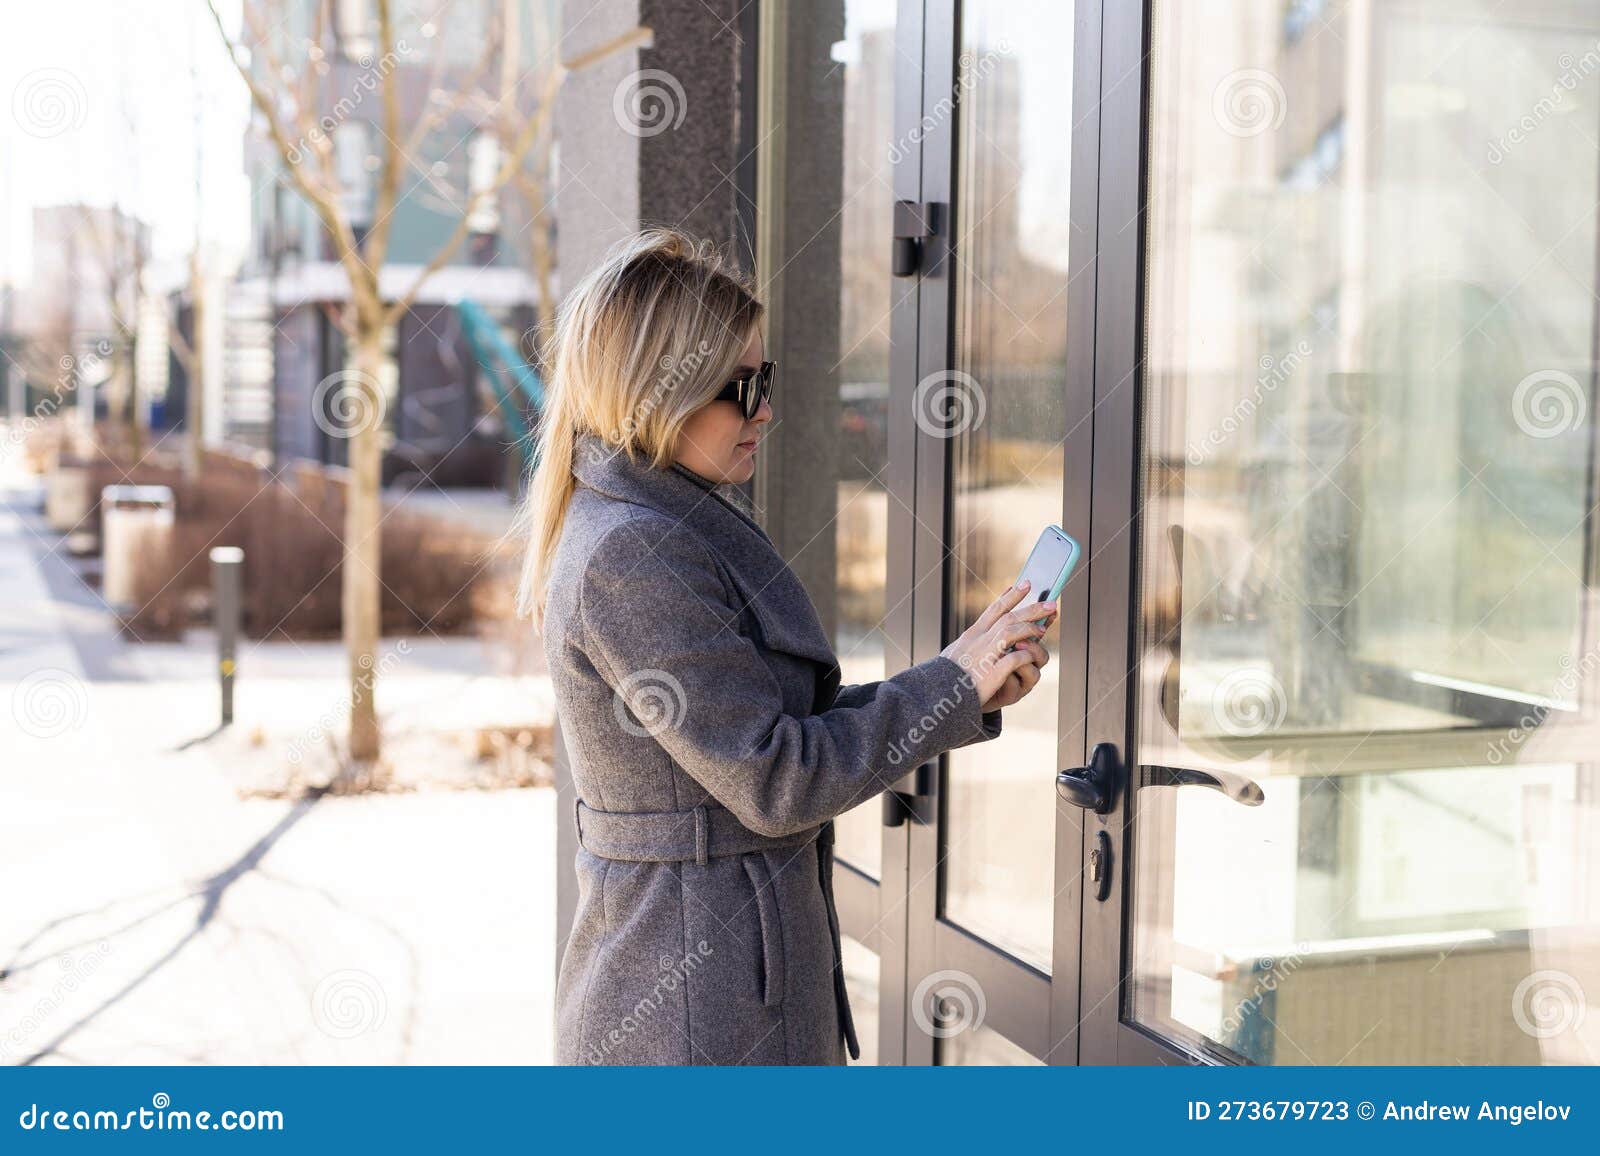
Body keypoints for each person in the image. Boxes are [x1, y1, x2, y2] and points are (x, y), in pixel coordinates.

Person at [513, 226, 1056, 1065]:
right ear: (659, 389)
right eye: (743, 386)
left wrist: (962, 680)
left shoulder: (663, 514)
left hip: (718, 982)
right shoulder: (635, 552)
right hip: (694, 1013)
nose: (766, 409)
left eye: (766, 379)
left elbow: (772, 729)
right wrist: (951, 683)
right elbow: (776, 779)